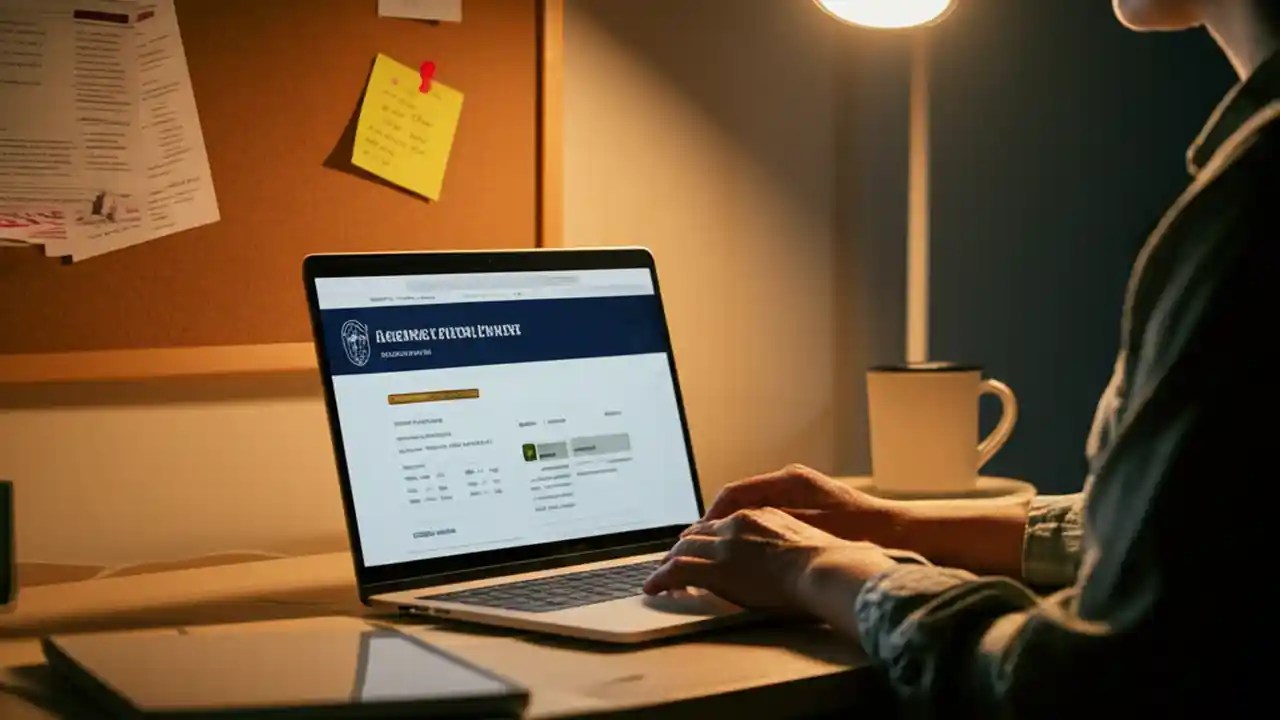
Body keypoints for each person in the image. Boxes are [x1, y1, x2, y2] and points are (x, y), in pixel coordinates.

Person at [644, 0, 1279, 715]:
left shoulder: (1254, 207)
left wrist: (827, 571)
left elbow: (1088, 683)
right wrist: (892, 524)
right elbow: (1198, 541)